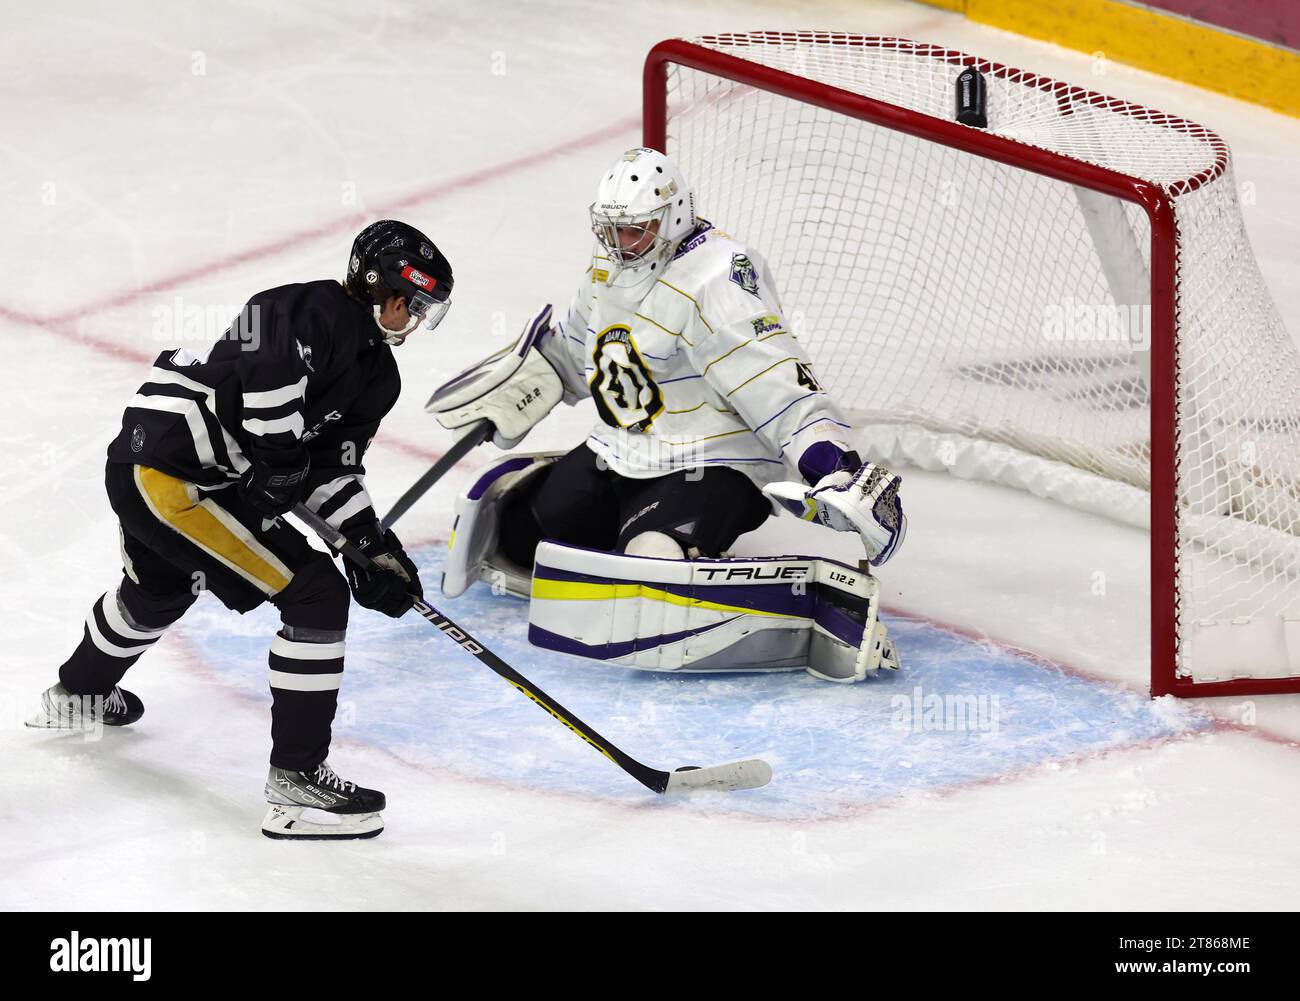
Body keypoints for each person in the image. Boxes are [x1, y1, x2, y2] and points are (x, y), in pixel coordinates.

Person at [27, 220, 452, 839]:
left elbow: (330, 468)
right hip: (169, 472)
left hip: (182, 477)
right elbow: (267, 398)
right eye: (409, 299)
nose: (410, 314)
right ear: (376, 282)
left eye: (419, 307)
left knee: (159, 591)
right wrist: (282, 465)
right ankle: (297, 784)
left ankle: (77, 695)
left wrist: (368, 543)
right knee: (316, 594)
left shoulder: (377, 375)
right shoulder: (297, 309)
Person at [430, 149, 905, 682]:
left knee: (652, 564)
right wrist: (520, 390)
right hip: (622, 453)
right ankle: (640, 547)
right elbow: (577, 346)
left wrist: (834, 466)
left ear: (674, 217)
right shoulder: (610, 263)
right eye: (611, 230)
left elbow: (778, 386)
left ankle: (767, 604)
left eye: (635, 230)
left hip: (715, 463)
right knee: (522, 539)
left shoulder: (720, 279)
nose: (620, 243)